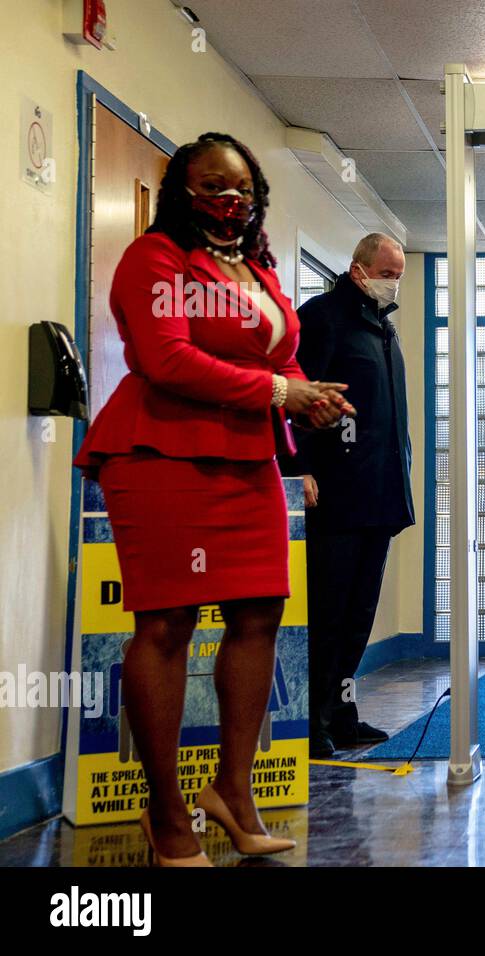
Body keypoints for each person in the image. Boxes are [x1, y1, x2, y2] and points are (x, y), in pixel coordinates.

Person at [73, 132, 353, 865]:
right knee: (166, 624)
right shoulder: (155, 259)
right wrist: (277, 390)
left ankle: (232, 789)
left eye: (243, 190)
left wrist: (306, 398)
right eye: (212, 187)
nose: (230, 201)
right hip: (160, 451)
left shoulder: (256, 265)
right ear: (181, 191)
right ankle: (165, 811)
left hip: (245, 456)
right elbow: (165, 358)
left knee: (260, 613)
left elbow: (279, 354)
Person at [289, 233, 414, 759]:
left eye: (400, 276)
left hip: (379, 496)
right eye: (387, 273)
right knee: (329, 611)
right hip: (335, 496)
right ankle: (312, 724)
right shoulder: (322, 317)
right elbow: (294, 395)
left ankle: (342, 714)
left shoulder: (381, 327)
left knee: (359, 612)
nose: (394, 284)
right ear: (359, 270)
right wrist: (300, 469)